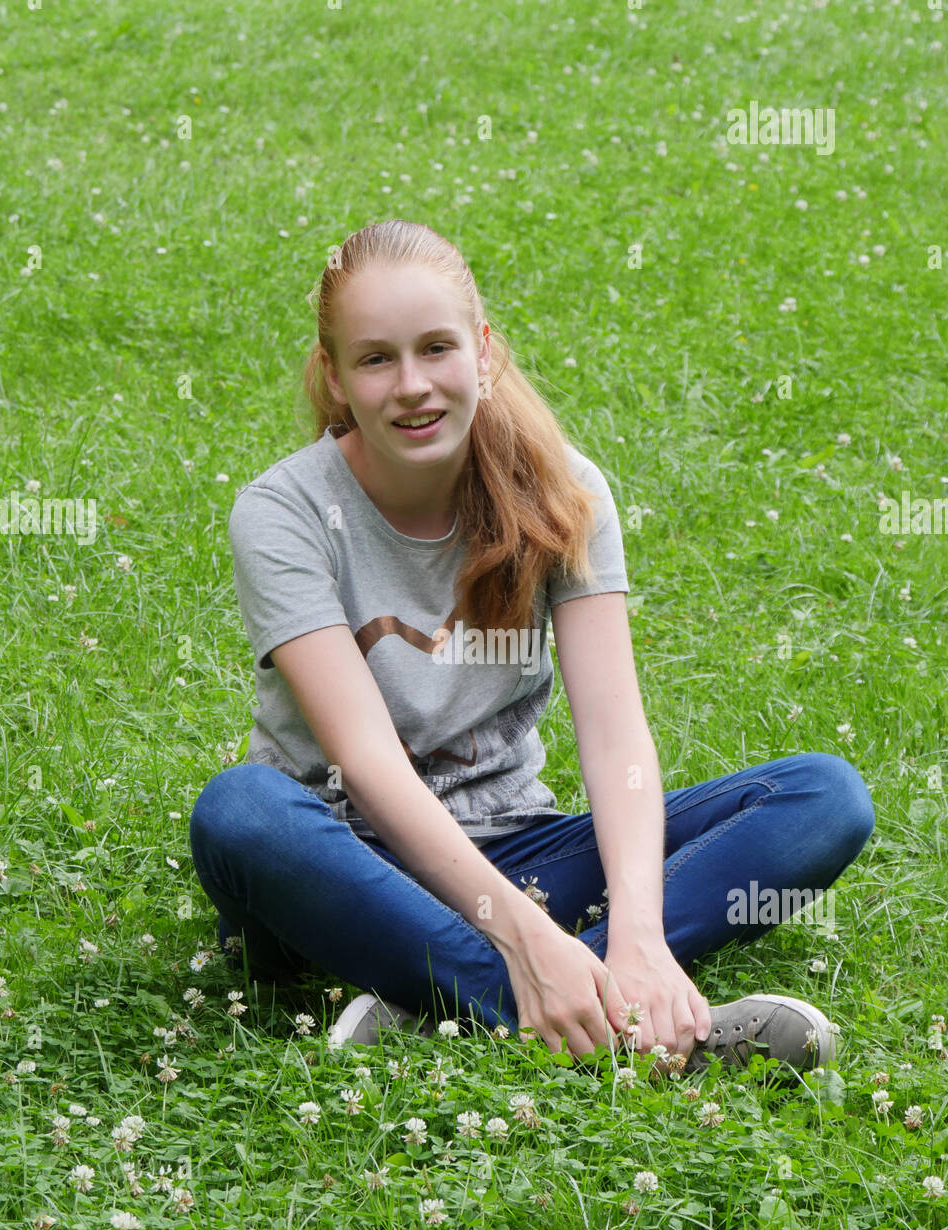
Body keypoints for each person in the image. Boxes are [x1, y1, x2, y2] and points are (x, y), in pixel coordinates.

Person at [189, 218, 874, 1077]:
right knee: (240, 811)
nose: (412, 386)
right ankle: (599, 1018)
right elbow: (366, 759)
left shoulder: (566, 490)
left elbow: (617, 738)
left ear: (481, 350)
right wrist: (526, 941)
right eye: (376, 359)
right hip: (344, 867)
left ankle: (442, 1001)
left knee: (823, 799)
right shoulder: (282, 513)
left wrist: (637, 932)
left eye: (436, 348)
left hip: (519, 851)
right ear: (334, 375)